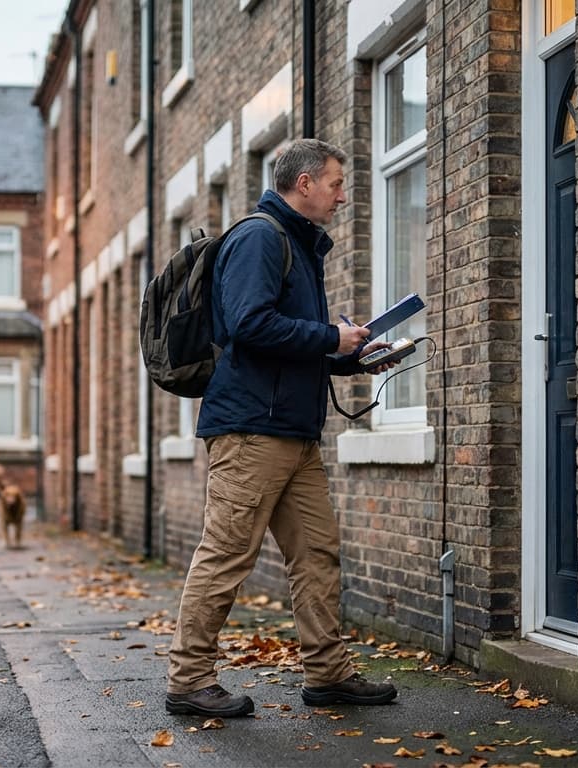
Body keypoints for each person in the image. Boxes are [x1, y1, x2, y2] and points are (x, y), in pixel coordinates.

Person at [165, 138, 401, 718]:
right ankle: (188, 680)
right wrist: (331, 337)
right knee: (226, 555)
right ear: (304, 184)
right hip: (251, 432)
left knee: (317, 553)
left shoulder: (298, 243)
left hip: (294, 433)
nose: (342, 197)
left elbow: (292, 344)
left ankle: (328, 673)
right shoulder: (260, 238)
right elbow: (249, 325)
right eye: (336, 184)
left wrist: (353, 357)